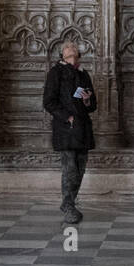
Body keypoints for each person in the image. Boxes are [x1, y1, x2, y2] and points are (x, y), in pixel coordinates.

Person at [42, 42, 97, 225]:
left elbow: (93, 105)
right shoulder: (55, 72)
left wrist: (88, 100)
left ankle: (70, 203)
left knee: (80, 168)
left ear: (79, 54)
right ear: (62, 54)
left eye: (74, 46)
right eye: (67, 46)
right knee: (70, 169)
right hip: (66, 128)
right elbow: (49, 102)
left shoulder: (83, 74)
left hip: (83, 128)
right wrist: (67, 117)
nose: (71, 47)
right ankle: (68, 205)